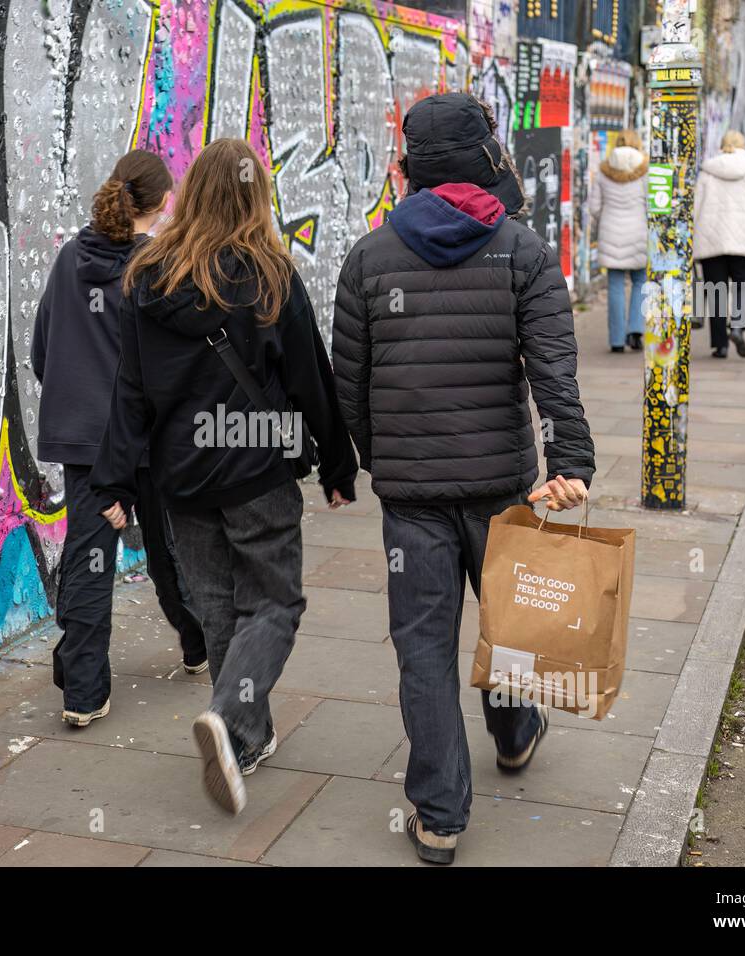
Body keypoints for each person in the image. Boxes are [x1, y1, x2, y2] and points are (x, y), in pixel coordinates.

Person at [331, 92, 595, 865]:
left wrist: (385, 458)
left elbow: (352, 382)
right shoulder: (521, 250)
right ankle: (513, 734)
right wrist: (569, 463)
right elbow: (554, 372)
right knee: (510, 625)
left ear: (411, 168)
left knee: (423, 648)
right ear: (485, 159)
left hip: (413, 498)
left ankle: (440, 815)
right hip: (501, 485)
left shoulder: (369, 257)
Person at [91, 138, 358, 815]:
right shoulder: (270, 275)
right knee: (274, 602)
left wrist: (116, 479)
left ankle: (245, 733)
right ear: (252, 196)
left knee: (216, 604)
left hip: (180, 475)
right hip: (256, 465)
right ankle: (231, 722)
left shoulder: (148, 277)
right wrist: (336, 458)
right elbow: (310, 378)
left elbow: (130, 390)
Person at [30, 149, 207, 728]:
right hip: (150, 439)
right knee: (169, 547)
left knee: (89, 558)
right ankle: (197, 642)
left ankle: (82, 692)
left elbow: (42, 352)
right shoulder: (156, 268)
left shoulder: (67, 261)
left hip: (85, 439)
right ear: (162, 204)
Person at [693, 130, 745, 360]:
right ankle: (738, 327)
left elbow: (695, 207)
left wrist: (689, 242)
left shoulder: (708, 170)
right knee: (744, 286)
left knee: (716, 292)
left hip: (712, 238)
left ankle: (720, 346)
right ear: (743, 145)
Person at [588, 129, 648, 353]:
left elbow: (594, 208)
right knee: (640, 281)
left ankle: (616, 340)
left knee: (615, 285)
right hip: (639, 232)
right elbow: (651, 207)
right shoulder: (645, 170)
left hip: (610, 232)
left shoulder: (604, 171)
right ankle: (635, 330)